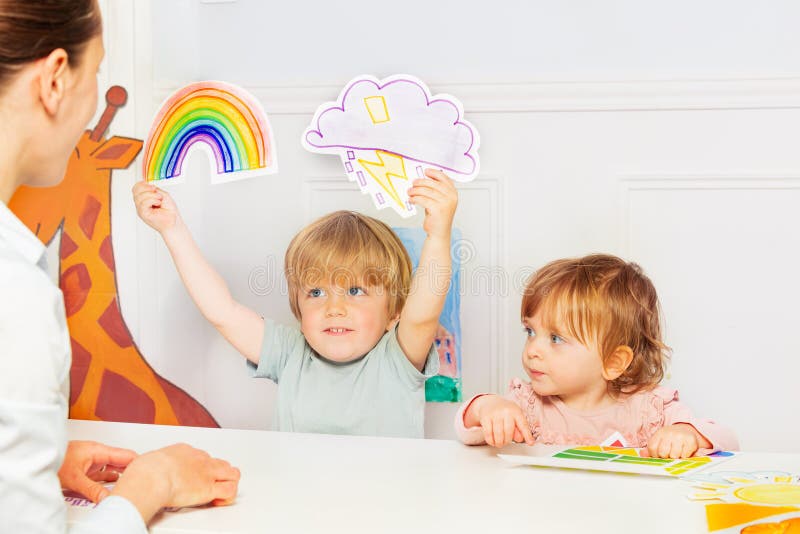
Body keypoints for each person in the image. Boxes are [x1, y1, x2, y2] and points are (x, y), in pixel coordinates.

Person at [0, 1, 240, 532]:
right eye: (98, 73)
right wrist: (150, 487)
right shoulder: (16, 294)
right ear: (56, 79)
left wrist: (39, 456)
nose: (94, 107)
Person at [132, 171, 457, 438]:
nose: (334, 307)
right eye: (316, 293)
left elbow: (423, 315)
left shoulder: (395, 361)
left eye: (355, 290)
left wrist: (439, 235)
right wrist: (172, 230)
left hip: (383, 512)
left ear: (394, 313)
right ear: (298, 307)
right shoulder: (290, 353)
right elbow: (223, 312)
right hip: (296, 510)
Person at [455, 254, 738, 458]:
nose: (533, 350)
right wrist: (487, 408)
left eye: (555, 338)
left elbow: (728, 441)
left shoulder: (649, 410)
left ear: (613, 362)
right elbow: (467, 431)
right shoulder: (527, 406)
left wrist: (688, 433)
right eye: (530, 331)